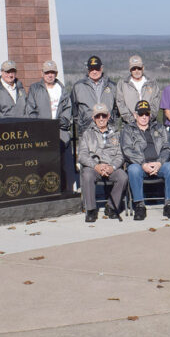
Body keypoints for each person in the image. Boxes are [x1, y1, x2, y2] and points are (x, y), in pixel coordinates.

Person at [121, 100, 170, 221]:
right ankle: (139, 205)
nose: (144, 117)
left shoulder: (160, 128)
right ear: (135, 115)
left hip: (158, 163)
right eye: (141, 114)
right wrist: (143, 164)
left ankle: (169, 205)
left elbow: (168, 147)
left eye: (146, 114)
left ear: (150, 115)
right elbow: (127, 150)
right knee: (133, 170)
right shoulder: (128, 129)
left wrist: (159, 162)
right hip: (139, 164)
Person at [26, 60, 76, 193]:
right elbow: (30, 111)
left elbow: (67, 111)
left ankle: (65, 192)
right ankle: (45, 193)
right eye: (47, 72)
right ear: (42, 73)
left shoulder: (62, 90)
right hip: (42, 134)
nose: (50, 75)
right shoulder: (35, 89)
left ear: (56, 74)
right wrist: (43, 126)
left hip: (60, 133)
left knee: (62, 166)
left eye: (52, 72)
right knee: (44, 165)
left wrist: (60, 123)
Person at [78, 103, 127, 222]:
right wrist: (96, 166)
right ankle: (91, 209)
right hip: (94, 167)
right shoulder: (87, 134)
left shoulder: (116, 133)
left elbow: (121, 155)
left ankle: (111, 207)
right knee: (87, 175)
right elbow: (82, 155)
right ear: (93, 118)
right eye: (98, 116)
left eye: (103, 116)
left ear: (108, 116)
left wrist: (112, 167)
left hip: (111, 166)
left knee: (123, 176)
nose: (101, 119)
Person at [67, 56, 118, 139]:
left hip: (108, 131)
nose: (94, 72)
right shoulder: (78, 87)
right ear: (88, 70)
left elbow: (116, 109)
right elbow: (74, 110)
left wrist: (111, 121)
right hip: (86, 131)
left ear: (101, 68)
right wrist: (82, 123)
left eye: (97, 68)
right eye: (91, 69)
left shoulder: (112, 86)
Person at [117, 55, 161, 126]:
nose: (136, 71)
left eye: (139, 68)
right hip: (129, 124)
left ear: (143, 68)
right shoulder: (123, 84)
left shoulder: (152, 83)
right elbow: (120, 103)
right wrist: (132, 119)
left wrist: (148, 118)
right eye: (134, 68)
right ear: (130, 69)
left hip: (149, 124)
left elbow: (156, 102)